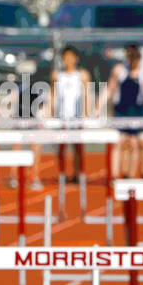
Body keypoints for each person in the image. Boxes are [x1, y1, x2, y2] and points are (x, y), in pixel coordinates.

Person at [99, 43, 143, 179]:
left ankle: (133, 175)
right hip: (122, 111)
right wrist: (99, 106)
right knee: (118, 142)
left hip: (138, 110)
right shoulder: (119, 70)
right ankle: (114, 176)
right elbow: (109, 89)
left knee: (136, 143)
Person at [49, 45, 92, 183]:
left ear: (76, 59)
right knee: (61, 147)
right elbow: (52, 94)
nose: (68, 60)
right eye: (65, 58)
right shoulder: (57, 76)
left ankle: (78, 173)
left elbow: (86, 95)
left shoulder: (82, 75)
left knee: (78, 147)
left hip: (77, 116)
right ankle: (62, 173)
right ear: (62, 59)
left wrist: (86, 113)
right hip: (62, 116)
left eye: (71, 57)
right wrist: (51, 112)